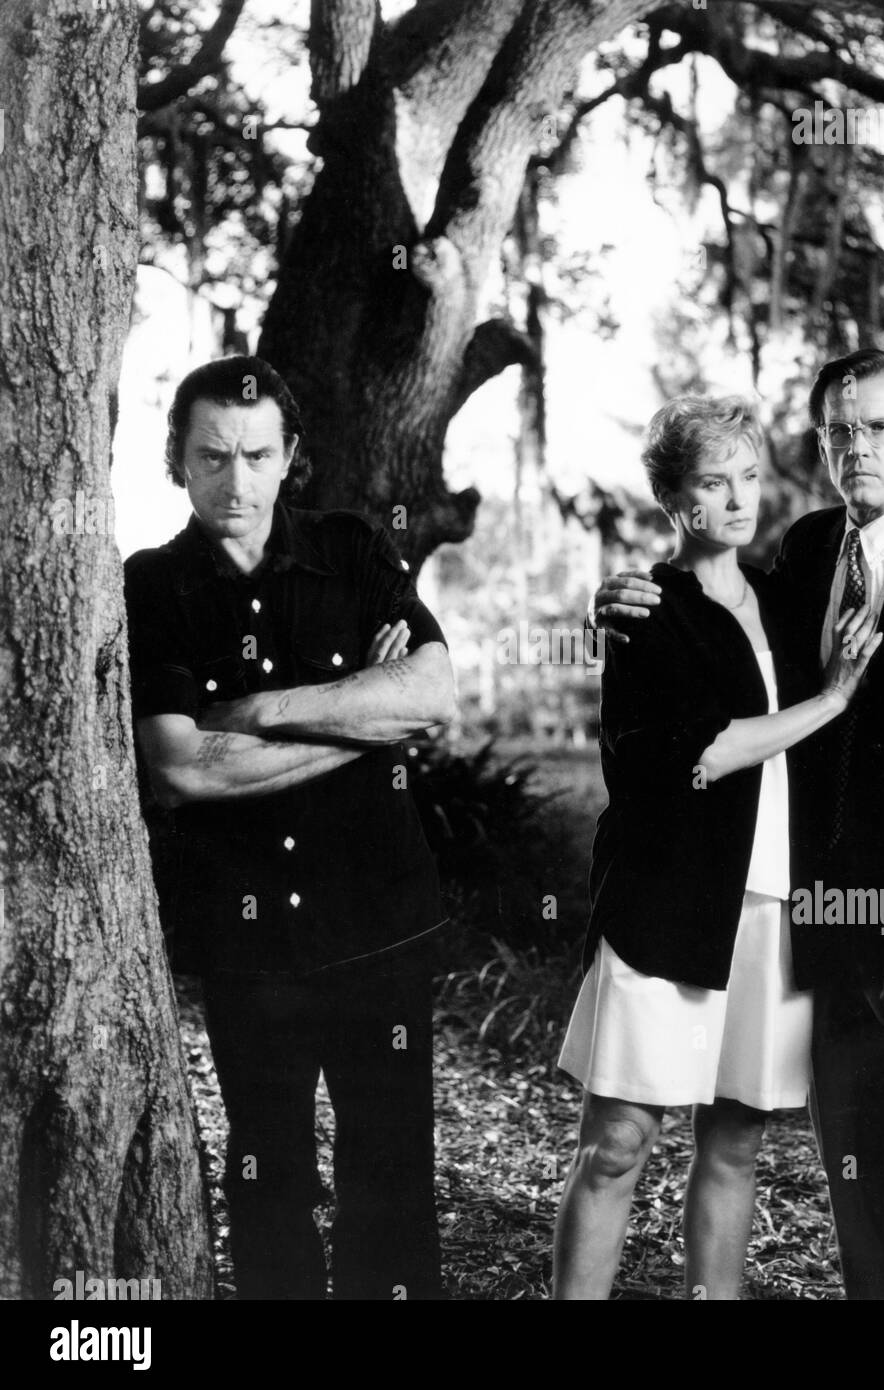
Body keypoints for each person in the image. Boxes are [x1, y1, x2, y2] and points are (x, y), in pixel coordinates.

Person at [591, 349, 884, 1300]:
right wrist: (627, 595)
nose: (855, 447)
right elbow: (720, 630)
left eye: (877, 427)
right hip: (825, 934)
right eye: (837, 430)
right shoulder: (800, 554)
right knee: (858, 1189)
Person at [123, 356, 456, 1300]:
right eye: (213, 456)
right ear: (177, 461)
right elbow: (179, 763)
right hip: (246, 937)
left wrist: (259, 712)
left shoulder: (352, 549)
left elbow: (430, 692)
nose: (237, 480)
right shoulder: (151, 586)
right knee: (268, 1172)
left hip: (380, 925)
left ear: (290, 457)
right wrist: (359, 715)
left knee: (389, 1174)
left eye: (257, 454)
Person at [554, 394, 882, 1300]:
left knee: (735, 1140)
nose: (737, 498)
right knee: (617, 1145)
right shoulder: (648, 611)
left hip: (775, 909)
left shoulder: (786, 596)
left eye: (747, 475)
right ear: (673, 499)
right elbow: (702, 753)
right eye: (712, 482)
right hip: (668, 906)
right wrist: (828, 702)